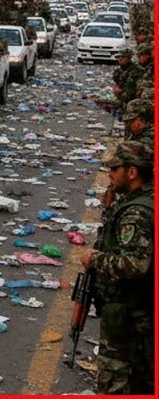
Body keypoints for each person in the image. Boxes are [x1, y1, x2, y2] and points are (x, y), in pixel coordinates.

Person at [79, 141, 153, 395]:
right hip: (138, 314)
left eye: (115, 169)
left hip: (131, 317)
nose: (110, 174)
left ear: (131, 172)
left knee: (117, 383)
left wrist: (95, 259)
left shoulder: (136, 213)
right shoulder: (143, 201)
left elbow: (135, 265)